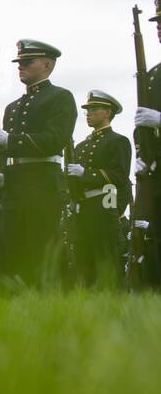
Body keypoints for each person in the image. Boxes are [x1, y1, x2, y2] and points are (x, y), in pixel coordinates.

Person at [0, 40, 77, 289]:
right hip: (16, 183)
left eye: (27, 62)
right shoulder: (14, 107)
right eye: (19, 63)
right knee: (14, 246)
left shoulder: (60, 97)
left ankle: (49, 299)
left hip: (43, 181)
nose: (20, 67)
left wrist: (9, 139)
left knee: (41, 244)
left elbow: (54, 141)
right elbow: (4, 151)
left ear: (46, 65)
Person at [69, 90, 132, 287]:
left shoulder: (118, 141)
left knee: (105, 257)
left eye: (93, 109)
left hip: (104, 206)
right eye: (88, 110)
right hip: (83, 208)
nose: (88, 114)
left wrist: (85, 174)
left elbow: (119, 176)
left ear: (107, 112)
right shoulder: (80, 146)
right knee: (83, 260)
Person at [134, 0, 161, 287]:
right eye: (157, 22)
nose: (159, 27)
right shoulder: (153, 75)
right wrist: (140, 150)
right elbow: (141, 120)